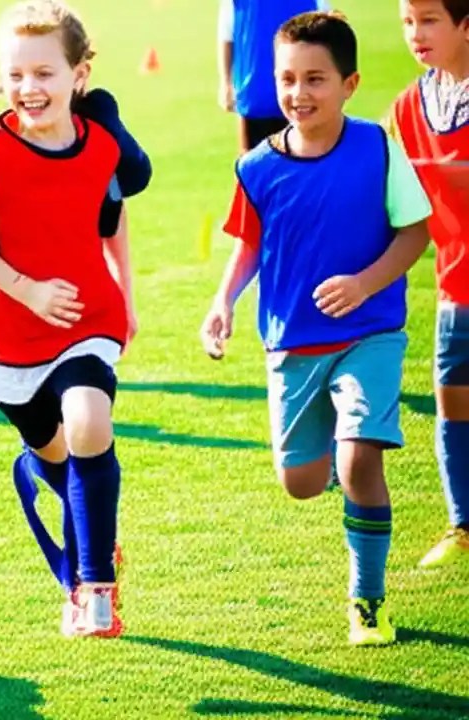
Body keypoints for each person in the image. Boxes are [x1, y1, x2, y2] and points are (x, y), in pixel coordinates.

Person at [201, 11, 432, 646]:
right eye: (286, 79)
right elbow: (248, 247)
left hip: (371, 332)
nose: (298, 94)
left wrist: (365, 283)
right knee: (301, 483)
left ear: (350, 83)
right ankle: (325, 455)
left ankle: (368, 600)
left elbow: (416, 231)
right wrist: (221, 302)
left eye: (315, 79)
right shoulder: (255, 167)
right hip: (293, 341)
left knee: (361, 461)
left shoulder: (378, 147)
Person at [0, 0, 149, 639]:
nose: (29, 87)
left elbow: (112, 214)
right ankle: (59, 491)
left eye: (45, 73)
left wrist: (125, 295)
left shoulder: (100, 143)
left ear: (79, 74)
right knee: (55, 453)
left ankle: (93, 588)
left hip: (85, 316)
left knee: (87, 420)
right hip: (5, 339)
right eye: (15, 73)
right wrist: (26, 290)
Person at [390, 0, 469, 568]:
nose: (415, 34)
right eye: (407, 21)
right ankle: (463, 524)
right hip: (453, 285)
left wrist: (435, 169)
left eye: (429, 20)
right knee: (453, 400)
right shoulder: (408, 106)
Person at [218, 0, 329, 151]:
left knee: (304, 160)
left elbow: (328, 29)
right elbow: (227, 31)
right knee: (252, 164)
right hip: (256, 91)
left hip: (302, 92)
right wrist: (226, 83)